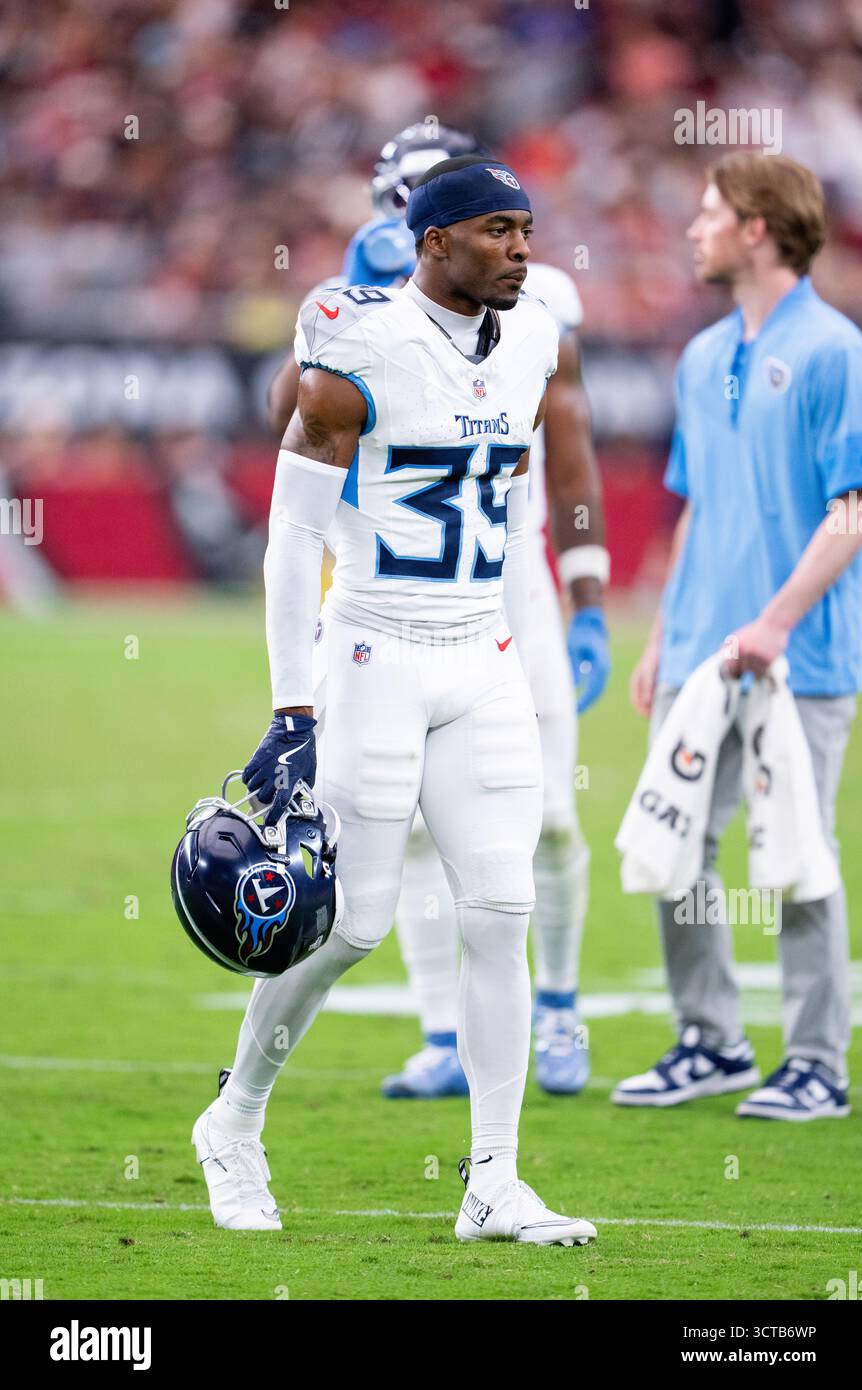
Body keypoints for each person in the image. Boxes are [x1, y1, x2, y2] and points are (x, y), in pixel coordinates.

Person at [193, 154, 597, 1245]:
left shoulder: (531, 340)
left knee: (500, 908)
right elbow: (291, 533)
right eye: (498, 230)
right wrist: (291, 705)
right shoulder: (356, 343)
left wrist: (527, 621)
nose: (521, 248)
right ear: (433, 242)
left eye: (526, 228)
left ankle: (493, 1179)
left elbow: (511, 501)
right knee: (355, 920)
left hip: (479, 656)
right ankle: (232, 1121)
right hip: (372, 648)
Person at [268, 125, 609, 1099]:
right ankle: (441, 1034)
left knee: (544, 816)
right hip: (393, 599)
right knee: (406, 838)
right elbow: (283, 428)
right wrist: (330, 313)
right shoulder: (359, 308)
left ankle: (558, 1012)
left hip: (510, 589)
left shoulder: (535, 307)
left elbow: (573, 439)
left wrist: (585, 587)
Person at [613, 153, 862, 1120]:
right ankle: (709, 1040)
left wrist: (775, 621)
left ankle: (817, 1065)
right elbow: (697, 508)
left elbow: (852, 508)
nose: (695, 229)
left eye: (711, 213)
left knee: (799, 849)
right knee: (674, 844)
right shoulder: (699, 354)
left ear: (758, 227)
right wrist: (661, 638)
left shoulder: (835, 349)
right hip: (698, 655)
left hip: (801, 656)